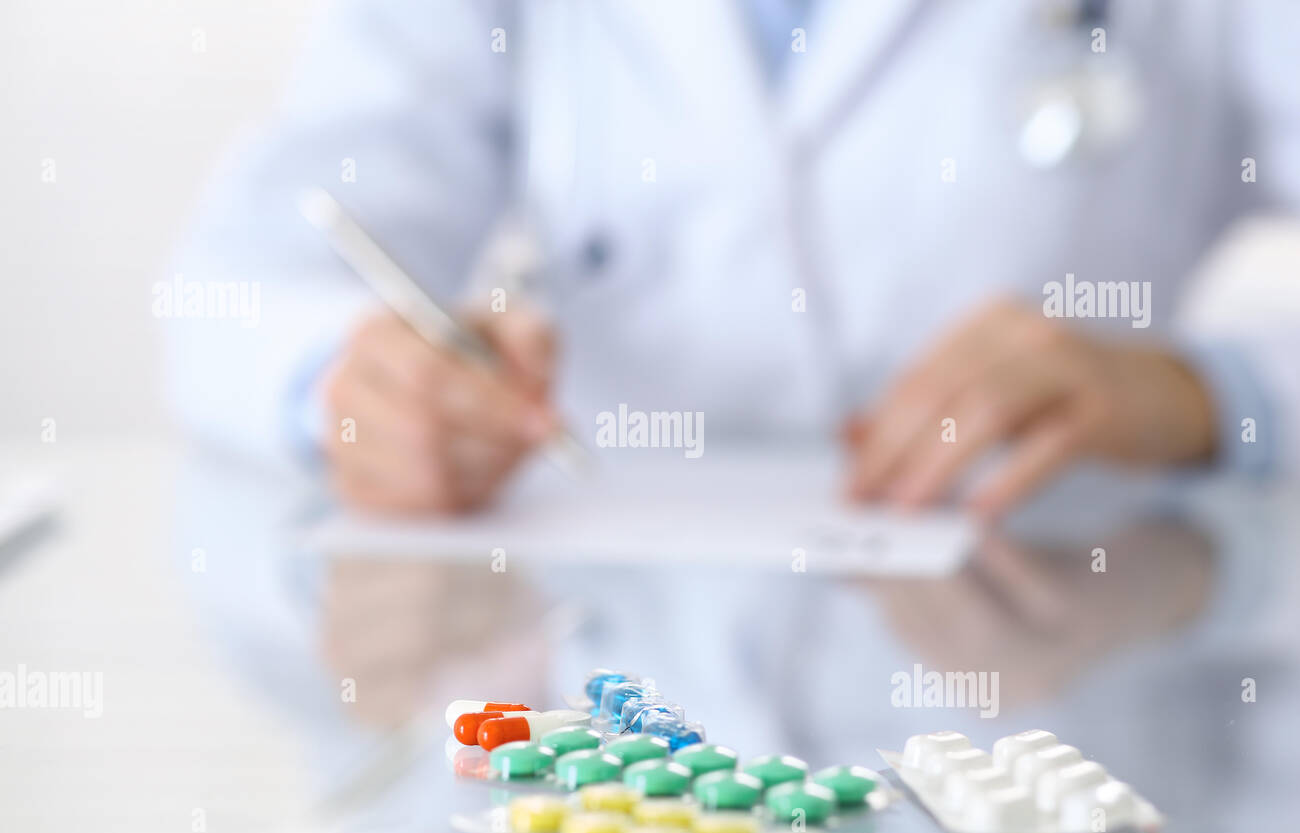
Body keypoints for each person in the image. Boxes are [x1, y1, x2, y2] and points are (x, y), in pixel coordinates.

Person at [167, 0, 1297, 516]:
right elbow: (244, 272)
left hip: (1060, 625)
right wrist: (347, 384)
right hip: (607, 644)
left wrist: (1213, 394)